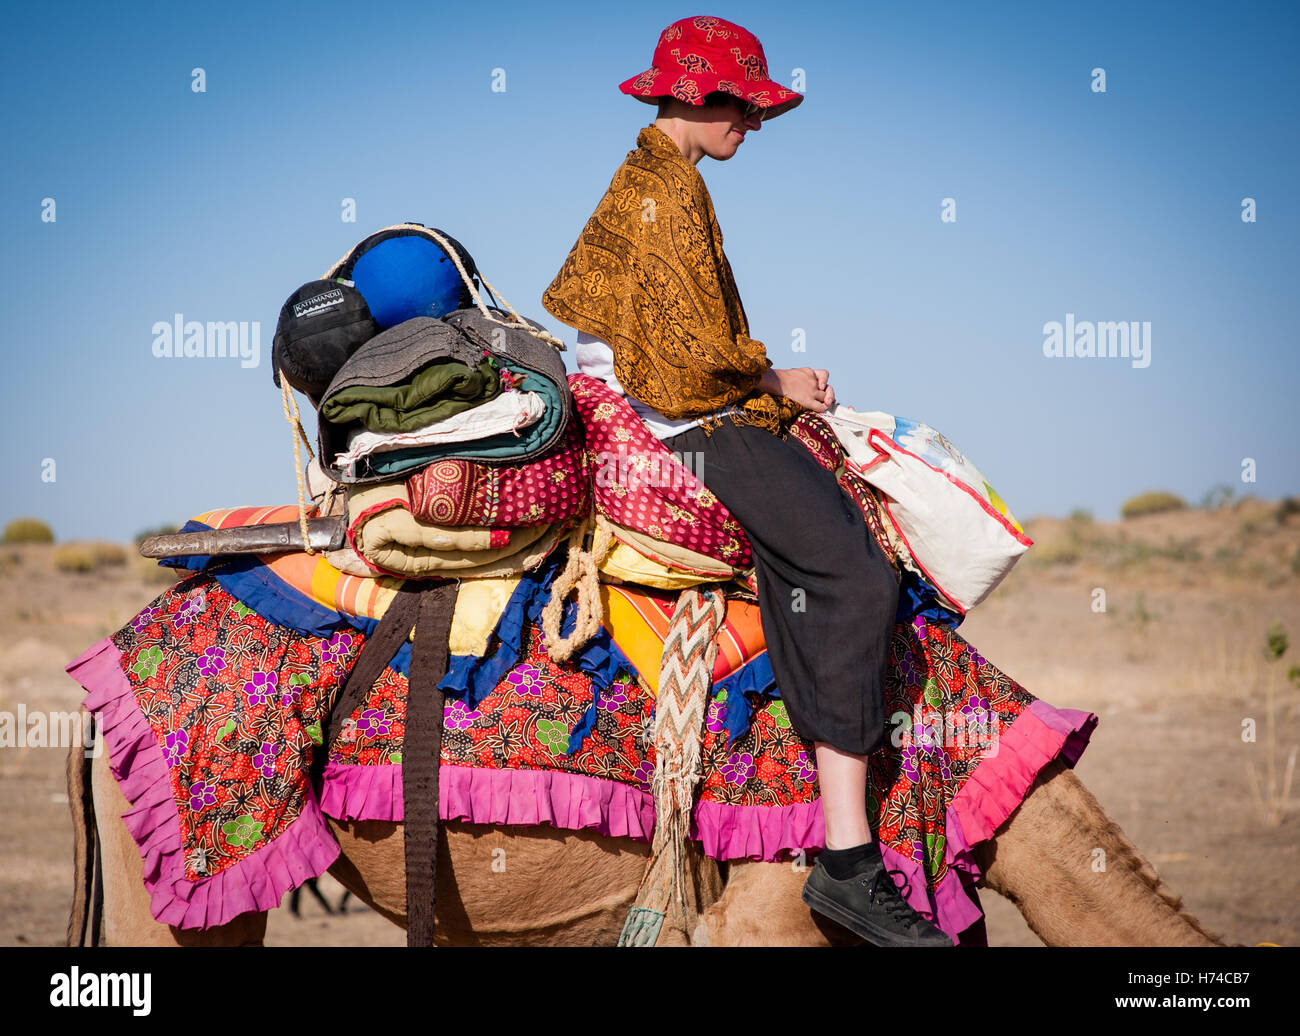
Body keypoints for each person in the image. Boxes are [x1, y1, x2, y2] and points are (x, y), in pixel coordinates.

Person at [541, 15, 951, 947]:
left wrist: (769, 379)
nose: (753, 125)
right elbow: (683, 368)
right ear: (693, 95)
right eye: (743, 105)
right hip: (685, 424)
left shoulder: (653, 175)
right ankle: (849, 860)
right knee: (856, 578)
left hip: (669, 405)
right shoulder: (669, 192)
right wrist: (773, 382)